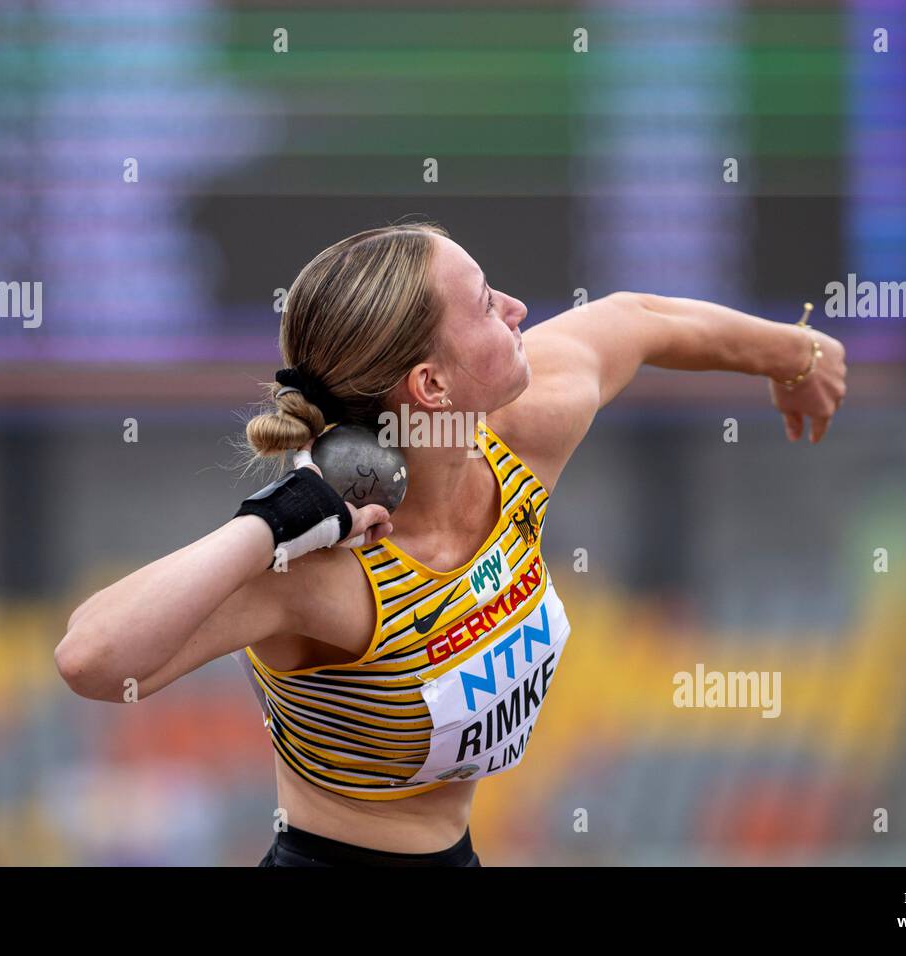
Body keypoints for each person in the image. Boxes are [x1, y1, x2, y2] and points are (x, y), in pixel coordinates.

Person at [54, 221, 847, 866]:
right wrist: (267, 523)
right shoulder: (322, 572)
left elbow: (642, 321)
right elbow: (92, 659)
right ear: (432, 386)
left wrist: (795, 355)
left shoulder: (524, 433)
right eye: (483, 303)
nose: (516, 308)